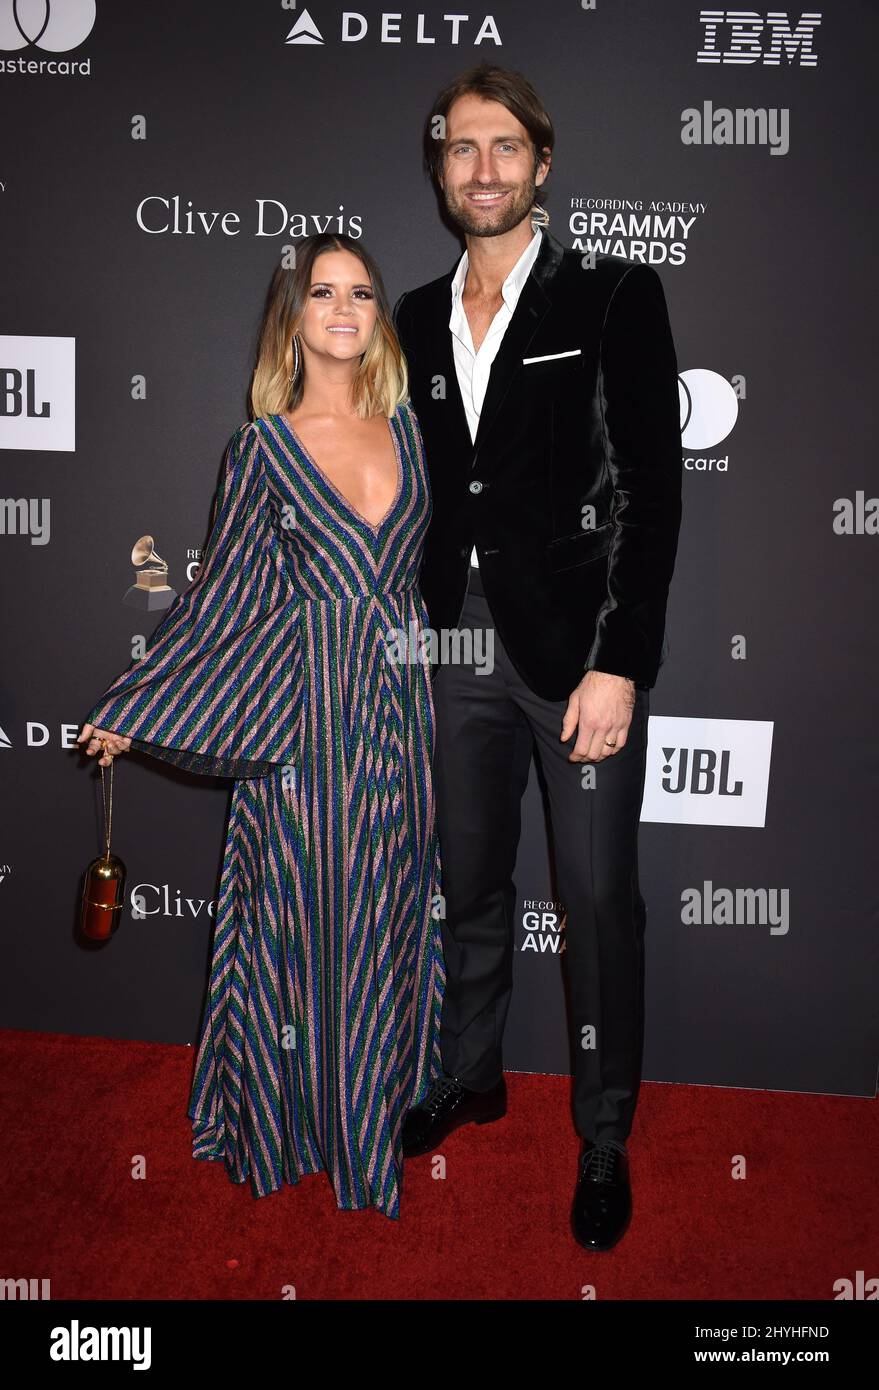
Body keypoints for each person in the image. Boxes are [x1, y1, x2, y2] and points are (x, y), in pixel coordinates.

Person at [78, 233, 445, 1219]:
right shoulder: (263, 448)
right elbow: (222, 602)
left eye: (360, 292)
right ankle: (287, 1125)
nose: (341, 306)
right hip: (302, 717)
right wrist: (131, 704)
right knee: (299, 916)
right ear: (294, 317)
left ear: (377, 317)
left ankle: (379, 1115)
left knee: (388, 906)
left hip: (400, 712)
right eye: (322, 291)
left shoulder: (410, 429)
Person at [393, 65, 683, 1250]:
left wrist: (621, 662)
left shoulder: (613, 295)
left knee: (599, 901)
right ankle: (474, 1073)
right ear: (442, 168)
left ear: (542, 164)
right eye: (463, 149)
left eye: (505, 147)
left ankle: (604, 1132)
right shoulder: (411, 316)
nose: (484, 169)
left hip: (575, 656)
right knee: (468, 881)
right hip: (448, 641)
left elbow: (654, 497)